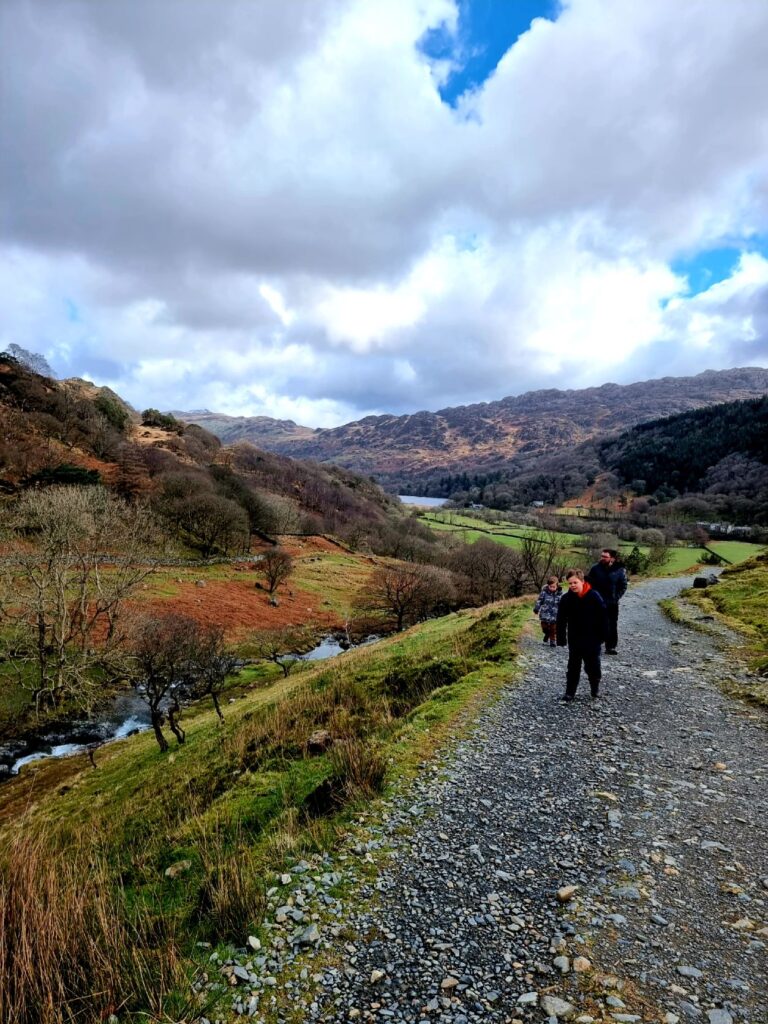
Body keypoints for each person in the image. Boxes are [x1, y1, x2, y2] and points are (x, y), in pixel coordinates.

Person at [556, 569, 608, 702]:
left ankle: (594, 687)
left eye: (575, 582)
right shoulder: (566, 599)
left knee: (593, 666)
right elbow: (561, 619)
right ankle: (570, 692)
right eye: (570, 583)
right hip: (575, 638)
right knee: (573, 666)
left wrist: (603, 636)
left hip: (593, 639)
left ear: (582, 581)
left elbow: (603, 617)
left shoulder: (594, 596)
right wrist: (561, 638)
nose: (572, 585)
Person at [586, 548, 628, 655]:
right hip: (596, 601)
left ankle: (611, 647)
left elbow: (623, 586)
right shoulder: (595, 568)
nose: (602, 558)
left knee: (612, 625)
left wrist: (616, 597)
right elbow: (588, 583)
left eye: (605, 556)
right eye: (602, 556)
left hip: (612, 603)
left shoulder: (619, 569)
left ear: (612, 558)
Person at [533, 575, 562, 647]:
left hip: (555, 615)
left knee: (553, 629)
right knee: (544, 628)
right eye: (550, 586)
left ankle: (553, 641)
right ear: (548, 586)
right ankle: (547, 634)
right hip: (544, 614)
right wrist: (537, 608)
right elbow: (539, 601)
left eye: (554, 587)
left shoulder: (559, 594)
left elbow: (562, 604)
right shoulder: (544, 592)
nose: (552, 588)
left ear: (557, 586)